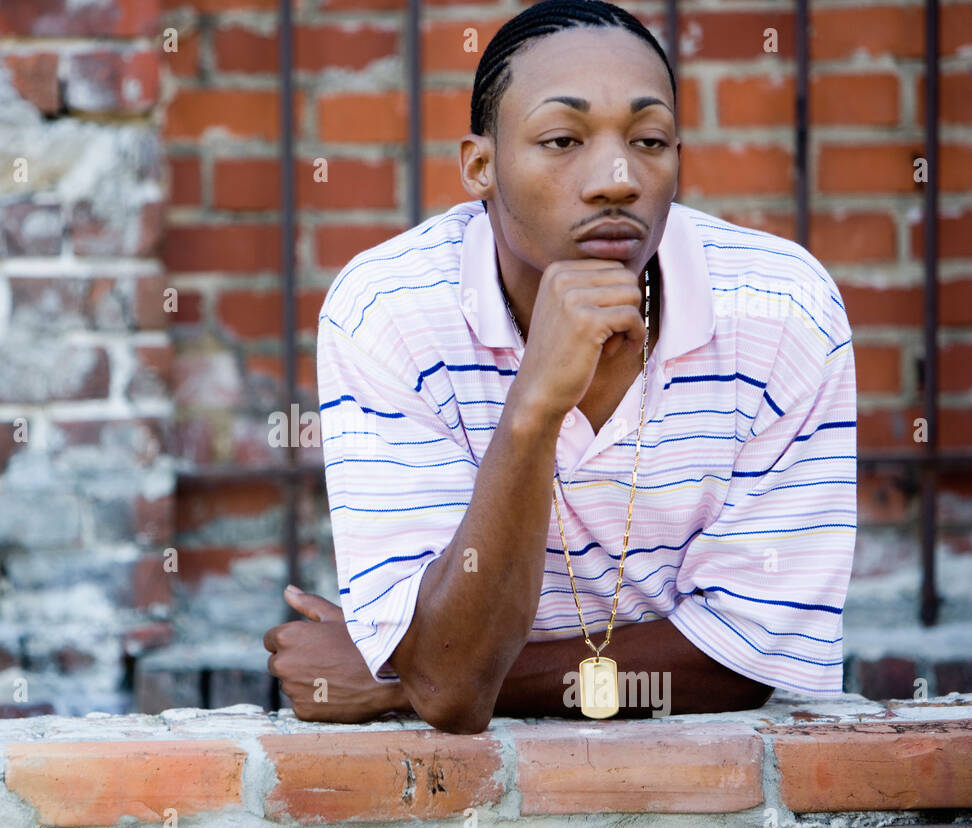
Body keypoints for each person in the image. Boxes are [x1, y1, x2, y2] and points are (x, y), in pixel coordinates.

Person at [263, 0, 857, 734]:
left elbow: (745, 657)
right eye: (562, 140)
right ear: (480, 166)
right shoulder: (388, 313)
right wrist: (534, 407)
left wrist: (399, 681)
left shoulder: (783, 309)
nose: (617, 179)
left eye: (649, 140)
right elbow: (451, 682)